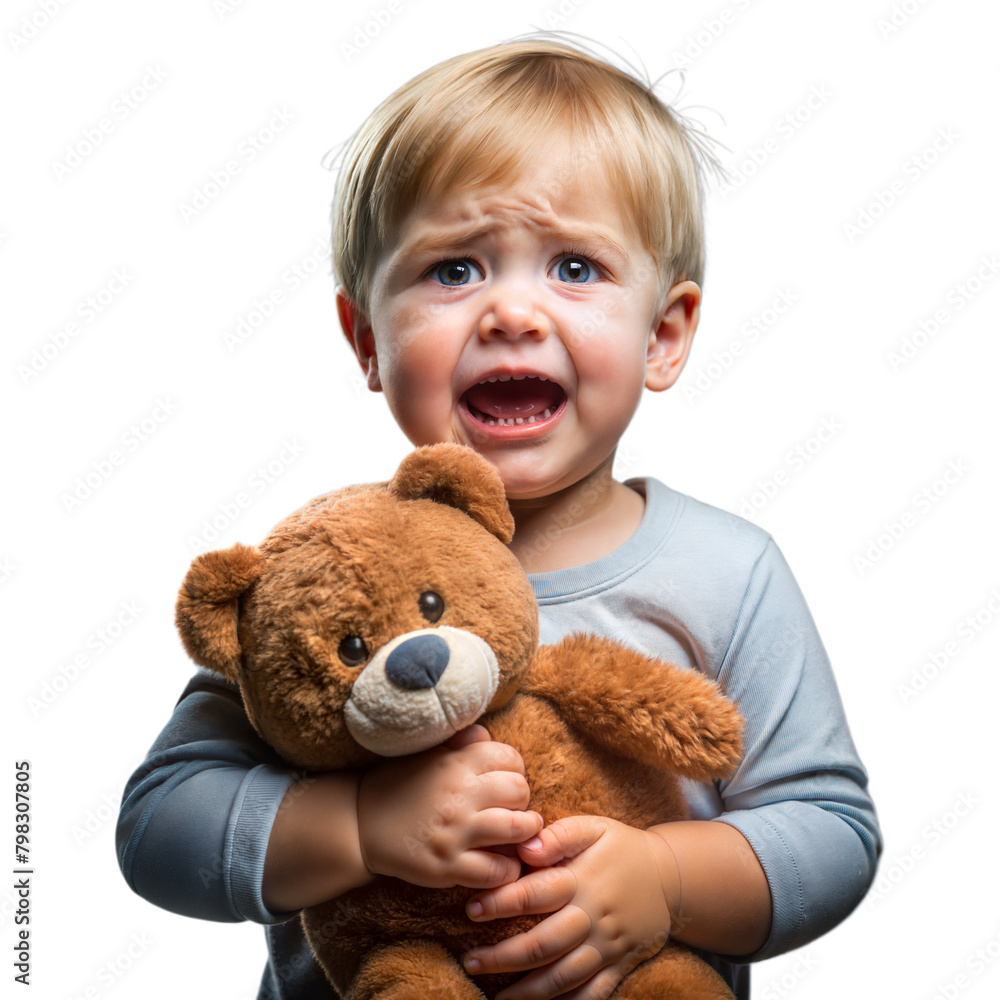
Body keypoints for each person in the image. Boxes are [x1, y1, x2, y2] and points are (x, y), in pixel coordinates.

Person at [116, 34, 881, 1000]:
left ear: (664, 333)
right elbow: (159, 826)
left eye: (573, 268)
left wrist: (668, 879)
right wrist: (359, 826)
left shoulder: (727, 574)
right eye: (452, 271)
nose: (512, 313)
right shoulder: (327, 584)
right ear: (367, 340)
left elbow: (831, 829)